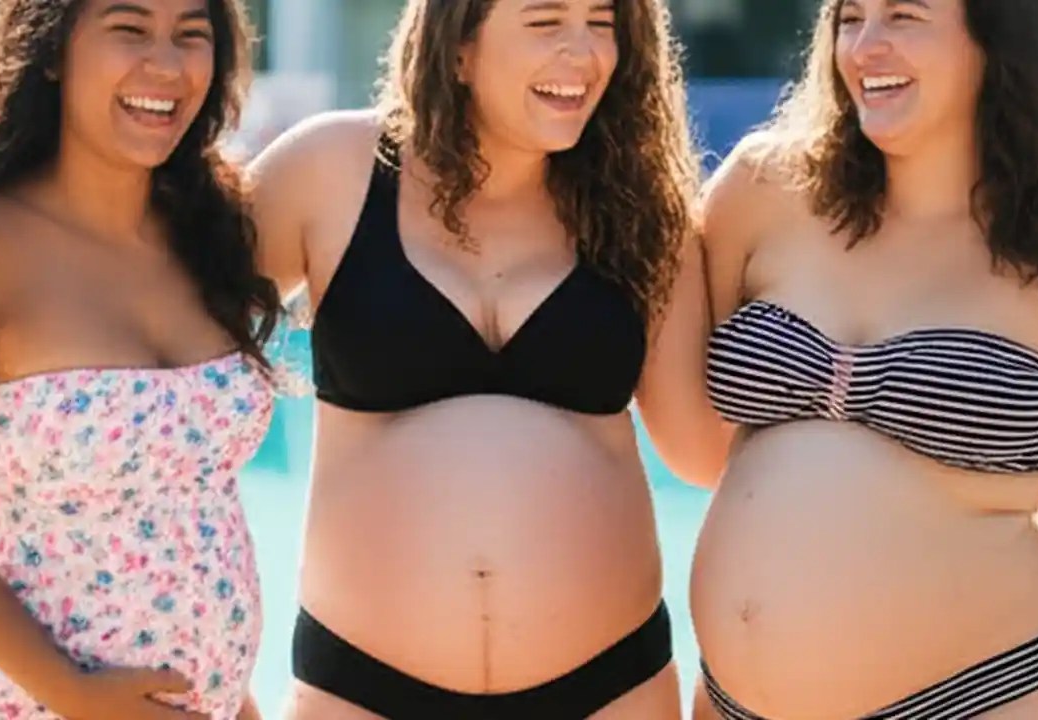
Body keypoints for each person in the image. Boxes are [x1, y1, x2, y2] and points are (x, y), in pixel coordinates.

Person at [247, 0, 701, 716]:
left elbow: (701, 451)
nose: (584, 53)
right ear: (458, 47)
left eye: (602, 23)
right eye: (547, 21)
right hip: (360, 687)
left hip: (610, 686)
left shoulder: (642, 212)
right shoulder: (329, 172)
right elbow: (164, 317)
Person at [685, 0, 1038, 717]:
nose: (867, 46)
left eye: (903, 16)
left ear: (991, 39)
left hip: (973, 693)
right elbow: (691, 443)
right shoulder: (761, 190)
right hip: (734, 702)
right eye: (850, 18)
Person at [0, 0, 278, 718]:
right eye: (129, 29)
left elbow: (183, 509)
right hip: (26, 703)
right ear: (53, 51)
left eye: (192, 35)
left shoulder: (207, 237)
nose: (167, 64)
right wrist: (72, 693)